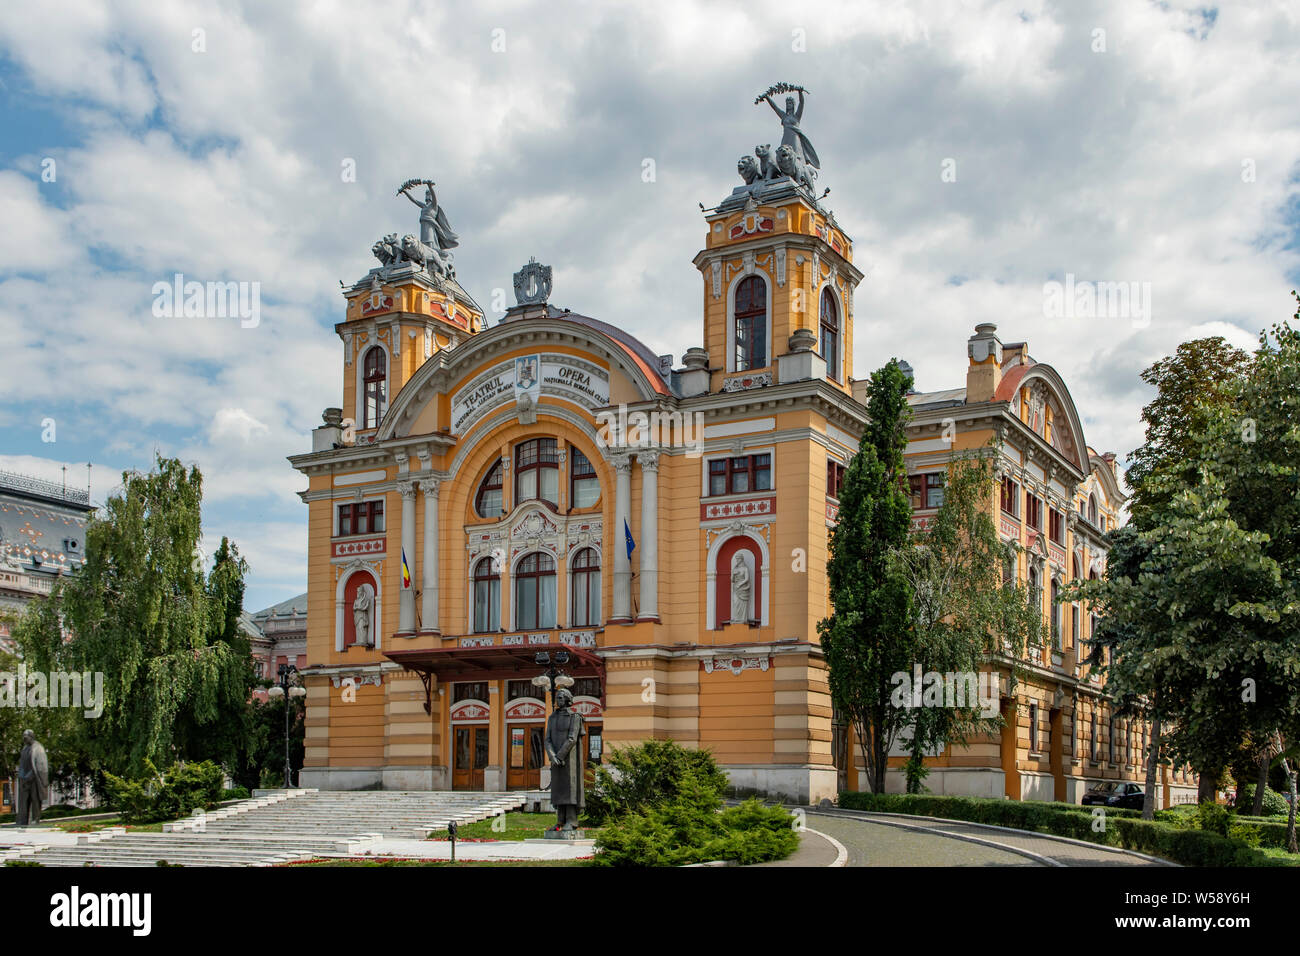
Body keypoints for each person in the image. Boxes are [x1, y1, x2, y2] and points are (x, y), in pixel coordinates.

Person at [16, 729, 49, 827]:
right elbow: (22, 764)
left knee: (35, 800)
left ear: (31, 737)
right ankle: (23, 820)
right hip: (25, 779)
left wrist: (30, 776)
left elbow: (41, 766)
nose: (24, 740)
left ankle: (35, 819)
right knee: (24, 800)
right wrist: (22, 776)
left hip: (35, 780)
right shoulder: (25, 749)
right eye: (23, 738)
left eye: (26, 737)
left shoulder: (38, 748)